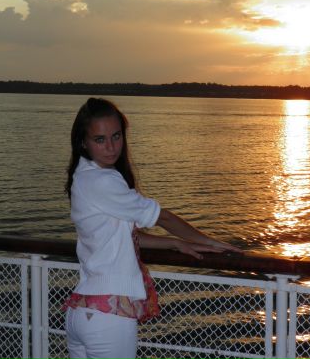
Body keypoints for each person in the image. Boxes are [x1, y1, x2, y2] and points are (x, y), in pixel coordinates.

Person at [63, 97, 240, 359]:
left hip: (81, 311)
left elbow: (122, 235)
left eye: (116, 136)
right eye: (100, 139)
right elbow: (162, 217)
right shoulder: (103, 180)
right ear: (83, 142)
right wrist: (210, 241)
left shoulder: (83, 176)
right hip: (107, 317)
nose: (111, 147)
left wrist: (175, 243)